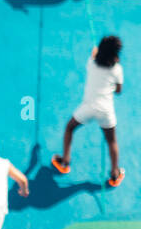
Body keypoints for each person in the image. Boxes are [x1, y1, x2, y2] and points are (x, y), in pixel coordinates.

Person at [51, 35, 125, 187]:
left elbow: (94, 53)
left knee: (69, 128)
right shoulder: (117, 69)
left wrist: (96, 51)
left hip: (88, 108)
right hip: (106, 111)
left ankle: (65, 162)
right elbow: (118, 90)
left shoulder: (91, 63)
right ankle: (115, 174)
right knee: (112, 141)